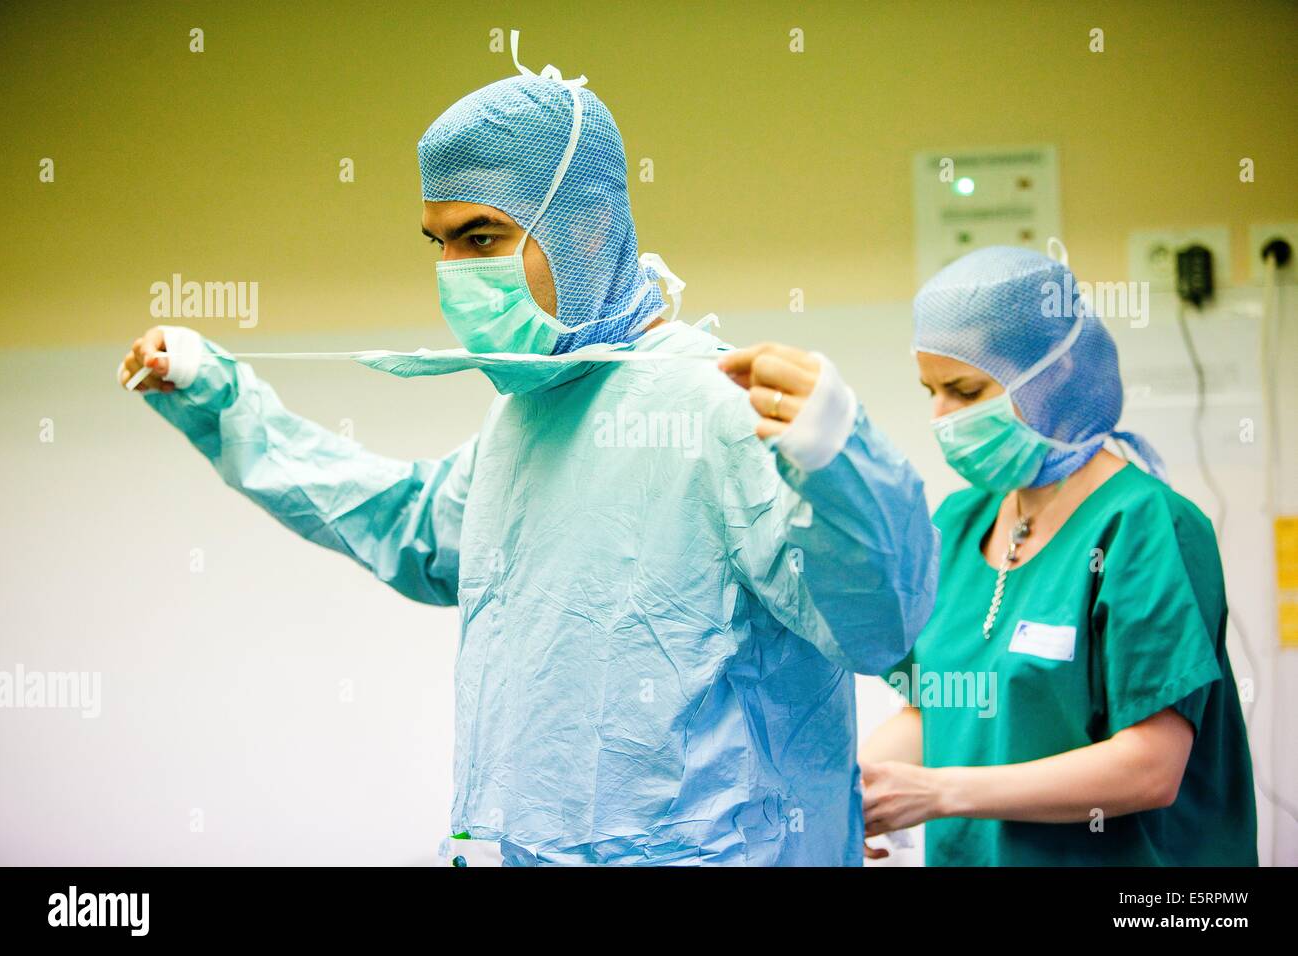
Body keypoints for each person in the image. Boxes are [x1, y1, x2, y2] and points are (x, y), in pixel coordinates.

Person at [116, 34, 939, 866]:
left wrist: (842, 463)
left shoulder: (712, 407)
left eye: (481, 238)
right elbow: (405, 524)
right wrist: (222, 399)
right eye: (436, 242)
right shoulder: (520, 422)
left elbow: (876, 624)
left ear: (586, 229)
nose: (453, 272)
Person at [857, 246, 1258, 866]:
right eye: (930, 390)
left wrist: (937, 792)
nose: (940, 417)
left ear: (1054, 373)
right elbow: (931, 711)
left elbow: (1150, 768)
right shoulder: (959, 524)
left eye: (965, 390)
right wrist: (851, 788)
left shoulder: (1146, 526)